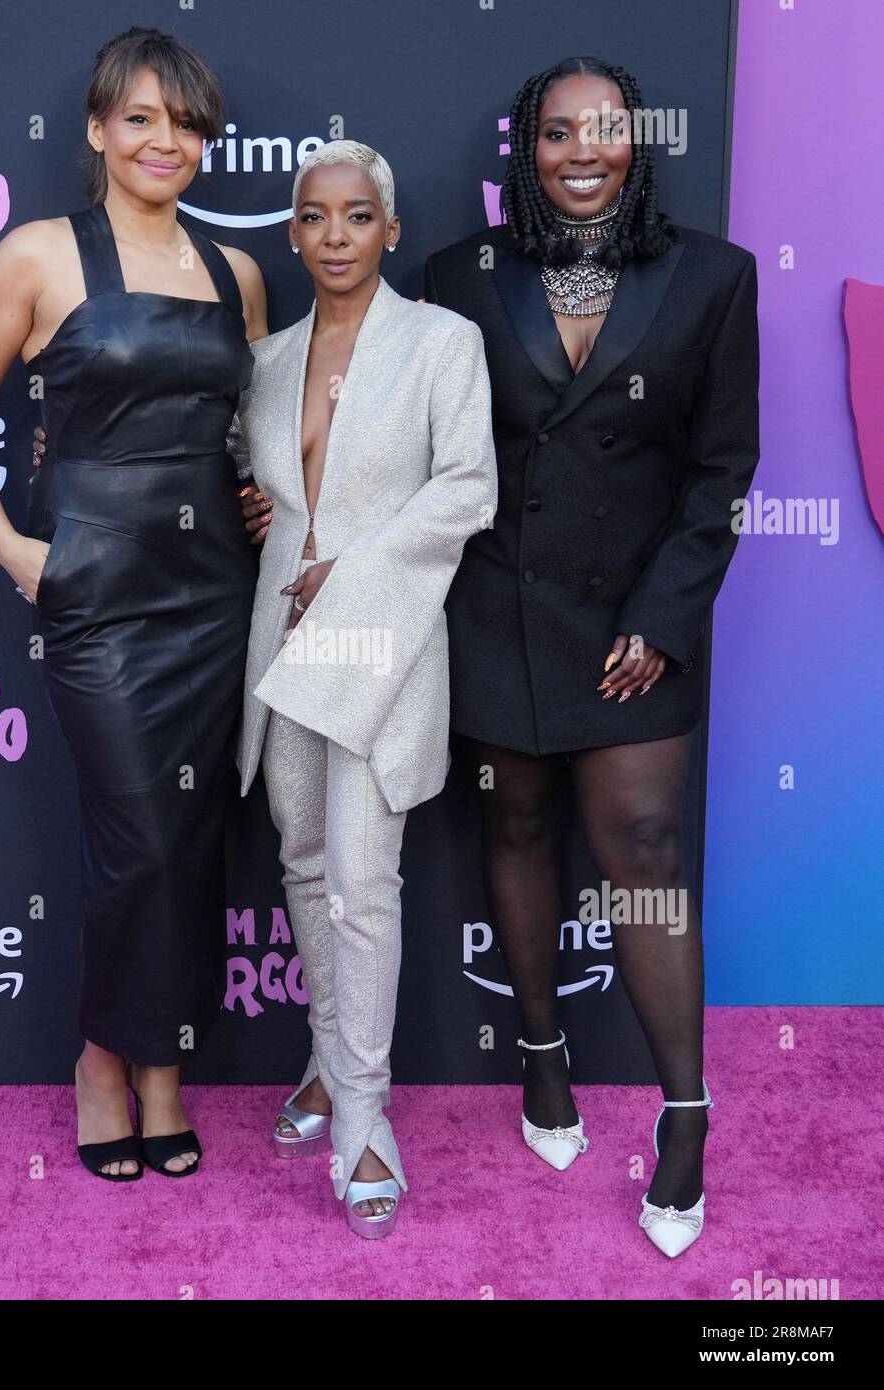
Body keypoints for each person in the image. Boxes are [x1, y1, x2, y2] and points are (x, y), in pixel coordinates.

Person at [424, 57, 759, 1257]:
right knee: (511, 825)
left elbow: (721, 471)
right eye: (557, 132)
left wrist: (662, 620)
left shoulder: (712, 277)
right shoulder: (461, 275)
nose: (580, 150)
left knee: (644, 847)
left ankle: (683, 1113)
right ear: (527, 148)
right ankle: (542, 1056)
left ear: (635, 141)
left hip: (634, 622)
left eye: (602, 130)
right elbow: (406, 435)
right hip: (496, 616)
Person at [0, 27, 267, 1182]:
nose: (161, 141)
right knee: (135, 837)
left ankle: (165, 1068)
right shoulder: (35, 255)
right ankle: (101, 1060)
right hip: (96, 590)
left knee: (189, 836)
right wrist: (15, 550)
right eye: (138, 118)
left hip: (214, 592)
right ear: (96, 129)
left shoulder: (238, 273)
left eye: (182, 123)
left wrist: (271, 507)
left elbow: (256, 431)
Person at [232, 141, 497, 1238]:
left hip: (378, 640)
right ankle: (326, 1062)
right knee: (300, 858)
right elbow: (271, 492)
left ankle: (366, 1119)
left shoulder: (442, 340)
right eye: (312, 216)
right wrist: (270, 513)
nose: (334, 234)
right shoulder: (265, 358)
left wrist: (354, 565)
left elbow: (466, 486)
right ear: (291, 233)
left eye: (356, 215)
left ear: (389, 229)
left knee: (359, 880)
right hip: (285, 644)